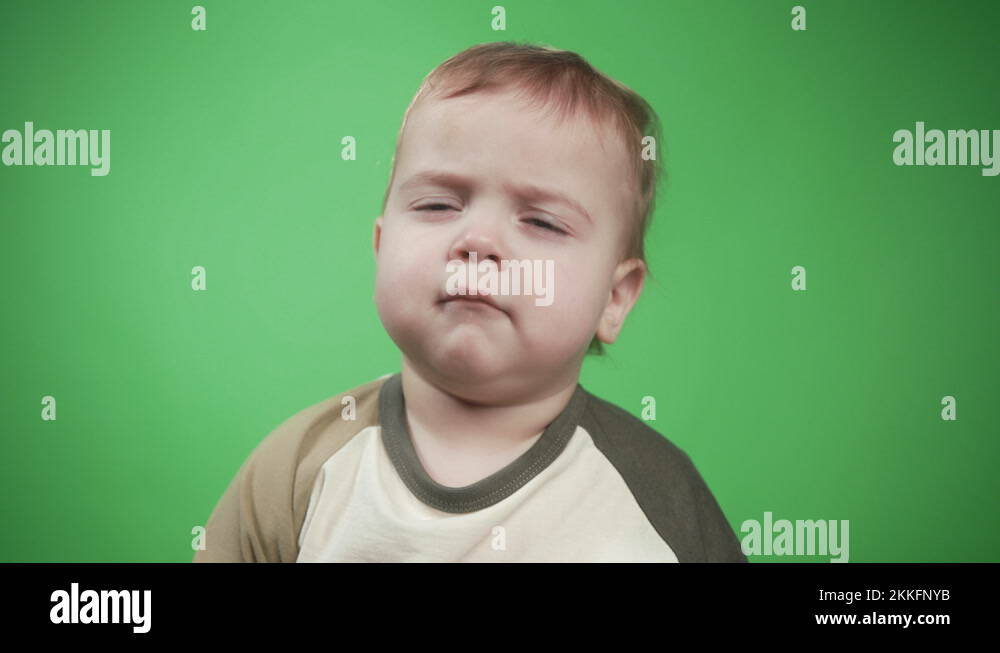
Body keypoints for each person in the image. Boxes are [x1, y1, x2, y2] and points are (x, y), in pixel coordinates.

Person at [194, 41, 746, 563]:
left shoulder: (659, 498)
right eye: (437, 205)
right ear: (382, 247)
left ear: (615, 297)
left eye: (541, 221)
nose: (477, 241)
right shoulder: (298, 471)